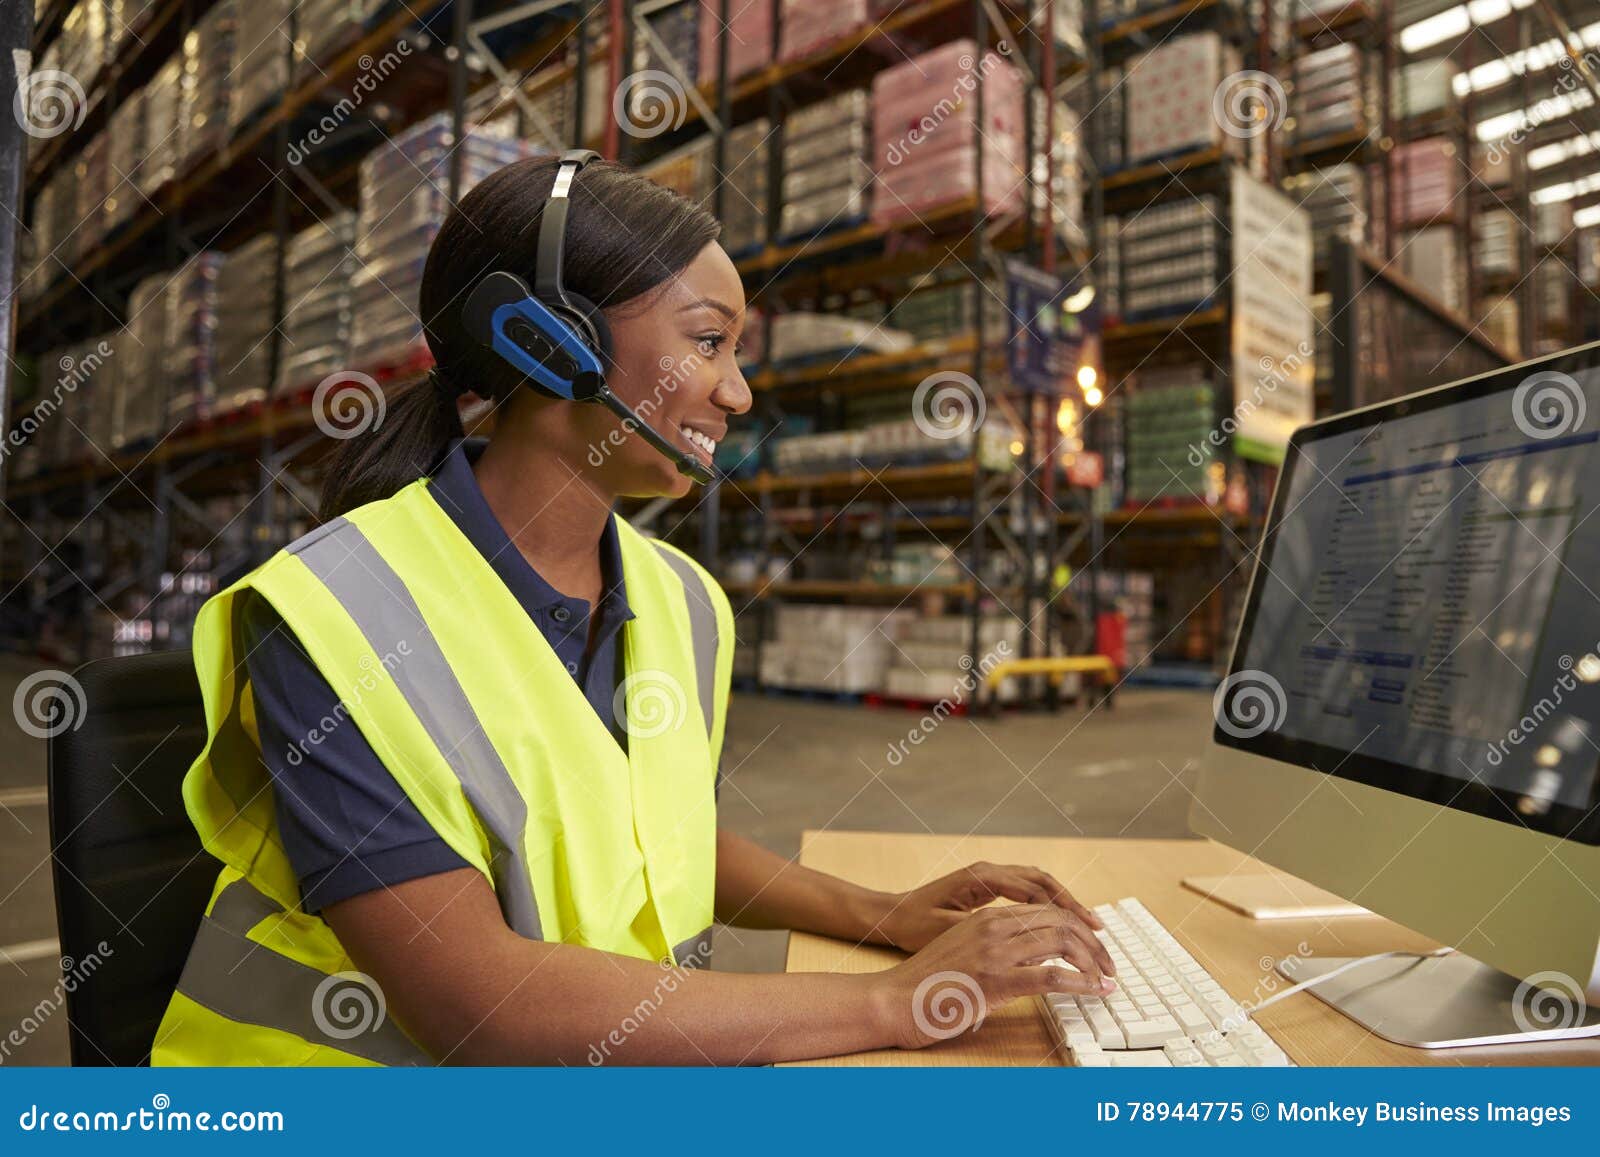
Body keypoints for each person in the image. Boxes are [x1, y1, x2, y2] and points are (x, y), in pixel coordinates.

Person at [153, 154, 1114, 1066]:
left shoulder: (682, 599)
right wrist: (896, 999)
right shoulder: (334, 616)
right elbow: (475, 1001)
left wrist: (882, 912)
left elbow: (656, 834)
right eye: (708, 341)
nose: (737, 391)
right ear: (550, 339)